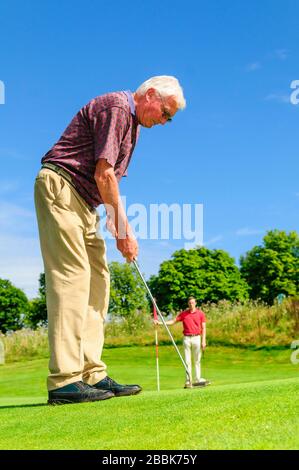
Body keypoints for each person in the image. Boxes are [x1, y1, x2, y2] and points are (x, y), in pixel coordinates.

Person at [34, 76, 186, 405]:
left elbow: (109, 181)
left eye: (169, 118)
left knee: (98, 282)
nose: (165, 121)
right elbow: (104, 173)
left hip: (85, 203)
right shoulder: (118, 107)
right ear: (149, 95)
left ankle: (92, 373)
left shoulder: (133, 128)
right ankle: (64, 380)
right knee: (71, 279)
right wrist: (122, 230)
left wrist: (114, 224)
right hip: (62, 187)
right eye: (165, 112)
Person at [155, 297, 210, 388]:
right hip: (187, 338)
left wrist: (203, 340)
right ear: (188, 304)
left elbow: (204, 327)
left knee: (197, 360)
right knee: (187, 361)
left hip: (197, 337)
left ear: (195, 303)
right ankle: (188, 381)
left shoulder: (200, 314)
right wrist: (160, 323)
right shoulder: (184, 314)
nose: (191, 304)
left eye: (192, 303)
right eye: (189, 303)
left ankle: (197, 379)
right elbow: (172, 322)